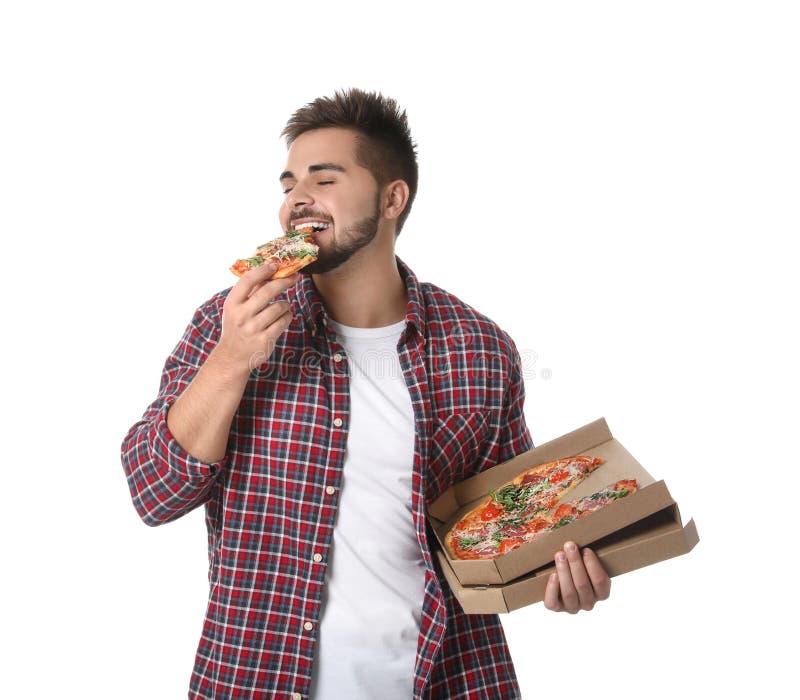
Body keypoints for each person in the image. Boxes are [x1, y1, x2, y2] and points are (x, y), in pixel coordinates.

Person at [121, 88, 611, 700]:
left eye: (323, 180)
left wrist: (562, 574)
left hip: (447, 680)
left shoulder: (480, 348)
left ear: (392, 198)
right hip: (257, 680)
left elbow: (507, 530)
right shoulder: (227, 325)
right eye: (288, 183)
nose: (297, 199)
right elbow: (153, 493)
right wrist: (231, 362)